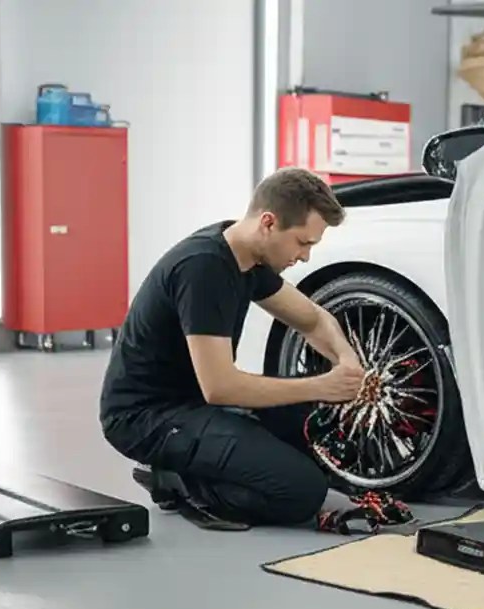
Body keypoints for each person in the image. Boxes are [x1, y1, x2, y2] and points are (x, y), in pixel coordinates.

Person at [98, 167, 380, 531]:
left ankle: (217, 455)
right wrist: (322, 386)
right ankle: (176, 480)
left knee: (311, 427)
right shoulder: (204, 268)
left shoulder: (245, 256)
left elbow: (313, 319)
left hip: (193, 402)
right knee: (302, 494)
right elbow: (221, 387)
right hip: (145, 418)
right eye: (302, 243)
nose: (306, 256)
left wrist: (348, 363)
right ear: (268, 223)